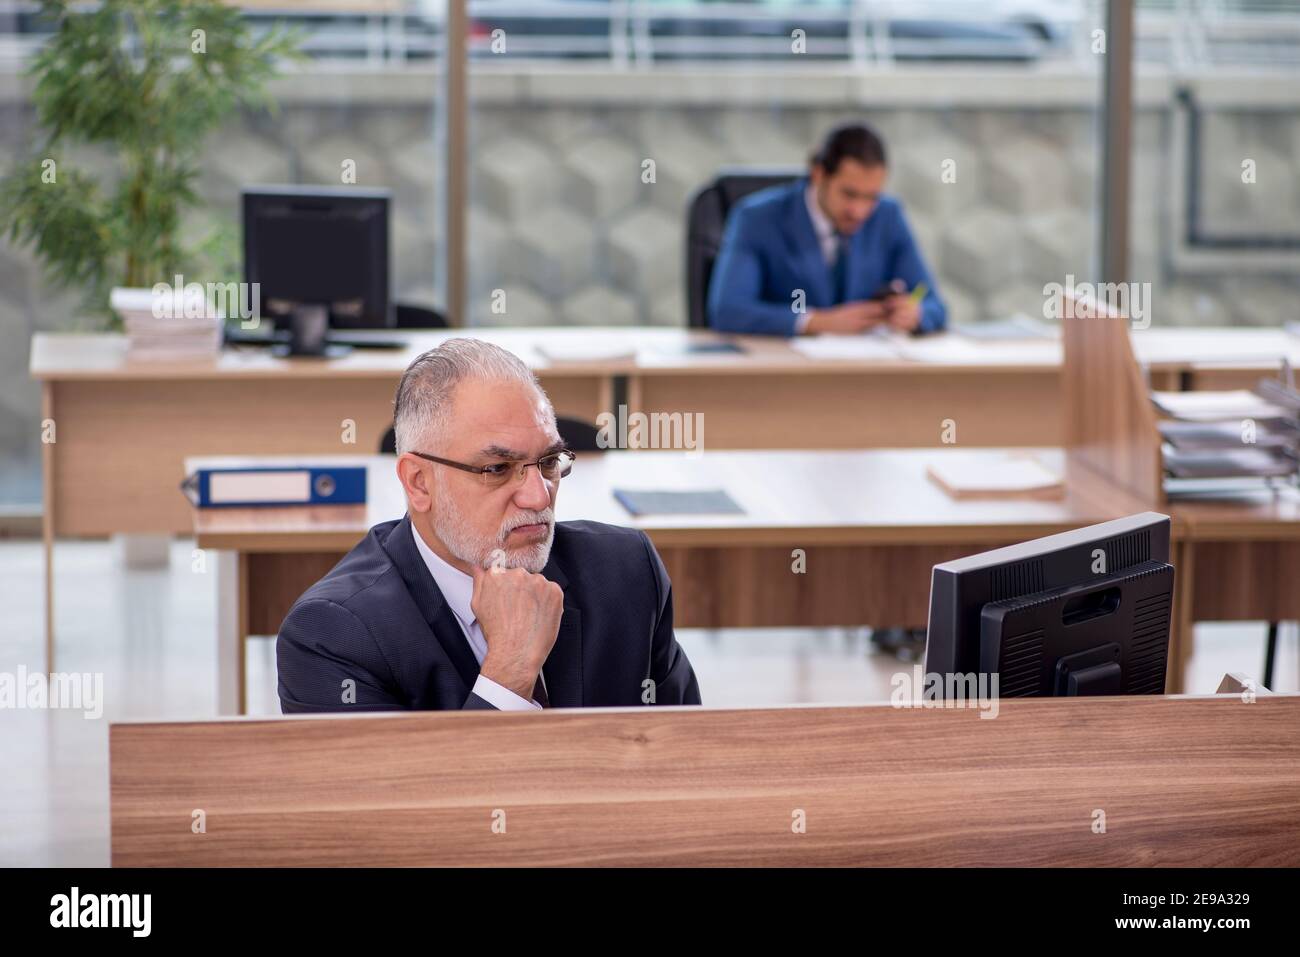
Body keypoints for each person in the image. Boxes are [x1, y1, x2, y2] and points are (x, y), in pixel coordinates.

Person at [276, 338, 701, 712]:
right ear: (418, 482)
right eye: (497, 468)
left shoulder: (627, 572)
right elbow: (397, 804)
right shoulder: (331, 635)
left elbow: (685, 759)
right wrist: (510, 671)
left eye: (549, 462)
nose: (539, 497)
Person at [708, 122, 947, 337]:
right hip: (786, 371)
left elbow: (935, 306)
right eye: (849, 194)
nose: (859, 211)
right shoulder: (756, 218)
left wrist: (915, 314)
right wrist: (816, 322)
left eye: (871, 197)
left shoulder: (888, 215)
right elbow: (728, 310)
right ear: (819, 174)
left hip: (868, 370)